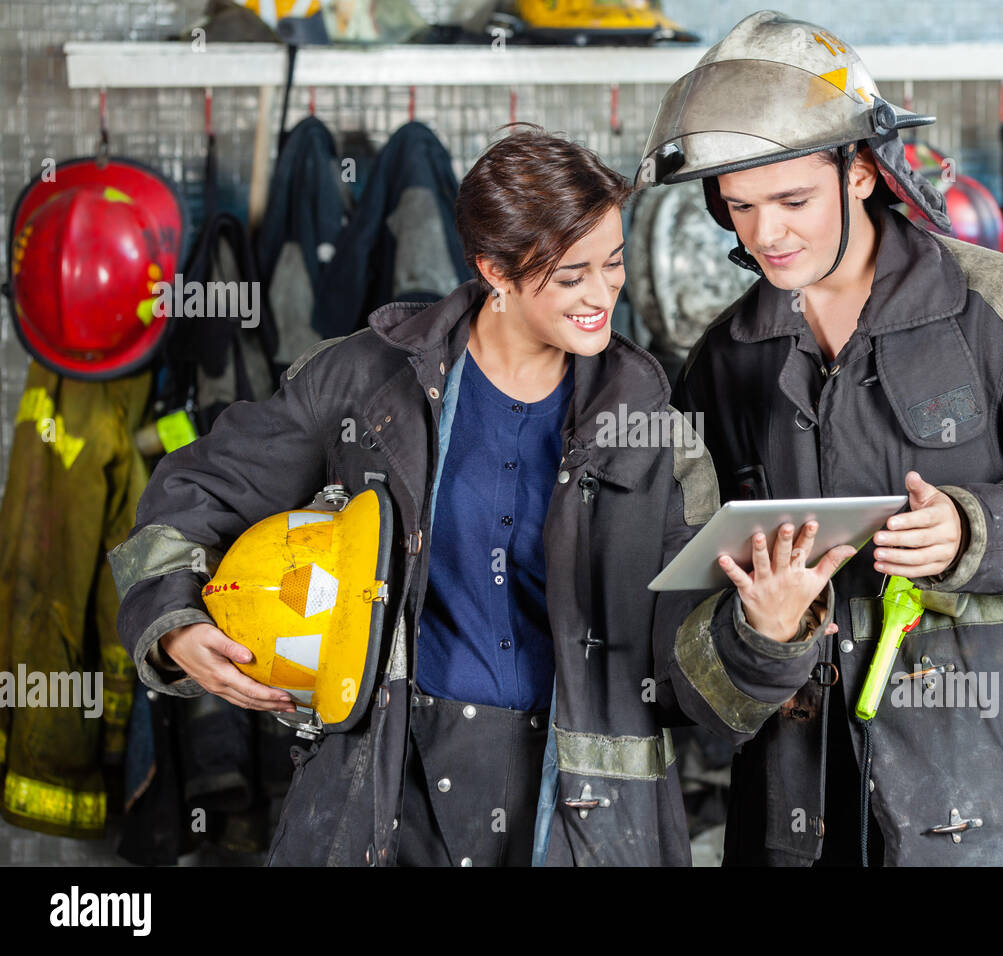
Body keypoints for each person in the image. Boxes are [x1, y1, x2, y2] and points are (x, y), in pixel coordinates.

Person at [108, 124, 847, 866]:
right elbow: (198, 489)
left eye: (614, 264)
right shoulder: (363, 380)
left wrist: (766, 632)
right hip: (385, 806)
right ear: (493, 270)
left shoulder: (650, 421)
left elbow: (692, 684)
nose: (603, 294)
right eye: (570, 276)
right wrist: (172, 623)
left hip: (584, 827)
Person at [636, 10, 1003, 865]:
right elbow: (684, 603)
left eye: (793, 199)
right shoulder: (727, 361)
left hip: (992, 813)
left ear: (864, 174)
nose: (765, 235)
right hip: (802, 816)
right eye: (740, 207)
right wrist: (761, 632)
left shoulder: (1002, 310)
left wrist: (975, 531)